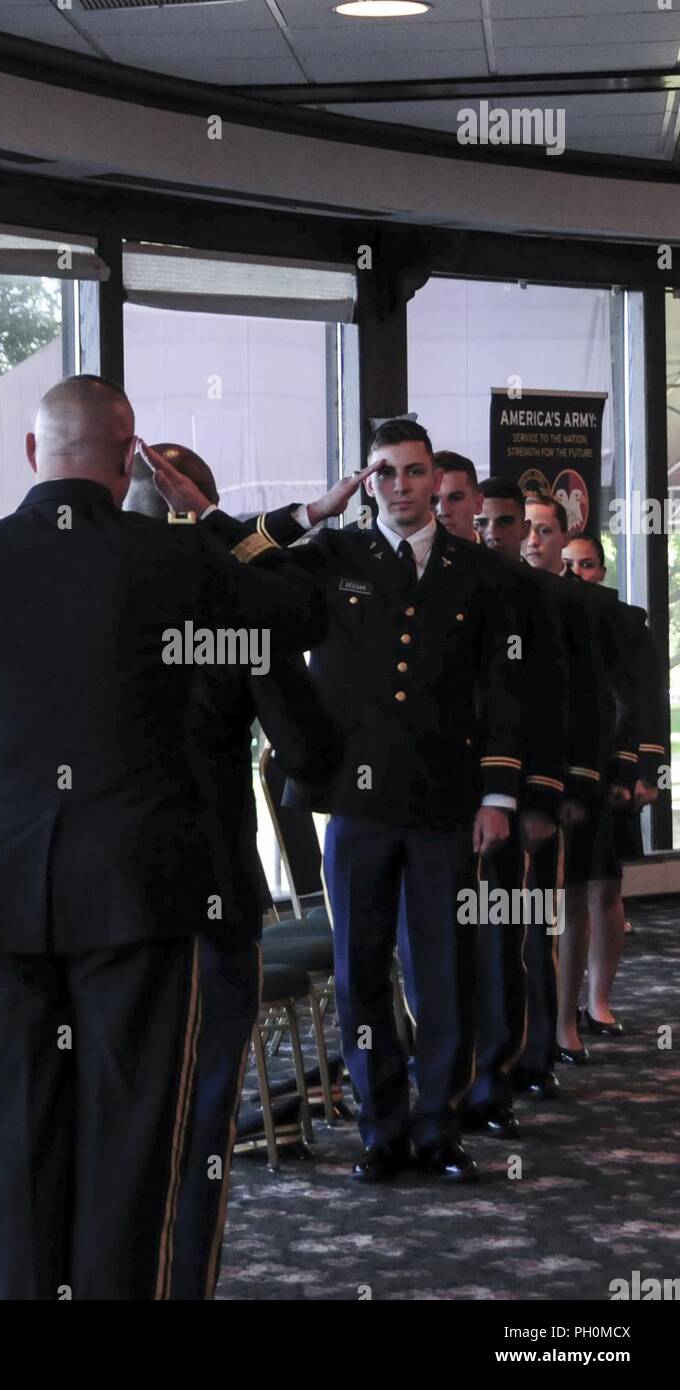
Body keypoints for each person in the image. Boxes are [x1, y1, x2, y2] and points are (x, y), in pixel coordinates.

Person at [0, 375, 326, 1301]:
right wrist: (215, 520)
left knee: (17, 1143)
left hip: (0, 905)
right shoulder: (174, 559)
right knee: (129, 1145)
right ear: (131, 462)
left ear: (33, 455)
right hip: (139, 899)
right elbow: (302, 610)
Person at [159, 419, 526, 1184]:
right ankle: (380, 1130)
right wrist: (308, 514)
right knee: (360, 974)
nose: (400, 486)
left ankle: (437, 1129)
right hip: (356, 804)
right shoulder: (337, 554)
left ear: (436, 480)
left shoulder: (481, 573)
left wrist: (498, 794)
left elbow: (504, 691)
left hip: (444, 802)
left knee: (443, 971)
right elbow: (244, 559)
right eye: (384, 473)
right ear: (367, 481)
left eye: (414, 472)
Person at [123, 441, 343, 1299]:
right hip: (209, 901)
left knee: (96, 1120)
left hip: (80, 914)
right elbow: (311, 752)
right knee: (198, 1126)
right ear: (197, 513)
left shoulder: (44, 594)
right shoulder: (235, 607)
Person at [473, 479, 601, 1106]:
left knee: (526, 931)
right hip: (455, 798)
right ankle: (473, 1064)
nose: (491, 533)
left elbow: (566, 703)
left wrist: (552, 793)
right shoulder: (451, 584)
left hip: (527, 794)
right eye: (484, 522)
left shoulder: (550, 598)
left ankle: (535, 1050)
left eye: (504, 523)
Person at [523, 496, 636, 1065]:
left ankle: (569, 1019)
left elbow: (606, 698)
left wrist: (593, 775)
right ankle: (522, 1026)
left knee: (575, 896)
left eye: (546, 530)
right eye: (530, 528)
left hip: (575, 775)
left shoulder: (588, 607)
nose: (535, 539)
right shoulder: (498, 590)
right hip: (510, 777)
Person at [561, 533, 665, 1033]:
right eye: (568, 563)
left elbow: (646, 697)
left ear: (602, 571)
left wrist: (646, 770)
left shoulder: (624, 621)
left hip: (608, 771)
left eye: (587, 564)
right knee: (552, 898)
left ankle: (598, 1002)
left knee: (602, 888)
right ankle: (553, 1010)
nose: (577, 572)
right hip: (550, 774)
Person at [434, 452, 483, 544]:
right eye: (433, 501)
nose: (443, 511)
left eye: (455, 498)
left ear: (478, 503)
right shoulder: (407, 557)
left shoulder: (501, 558)